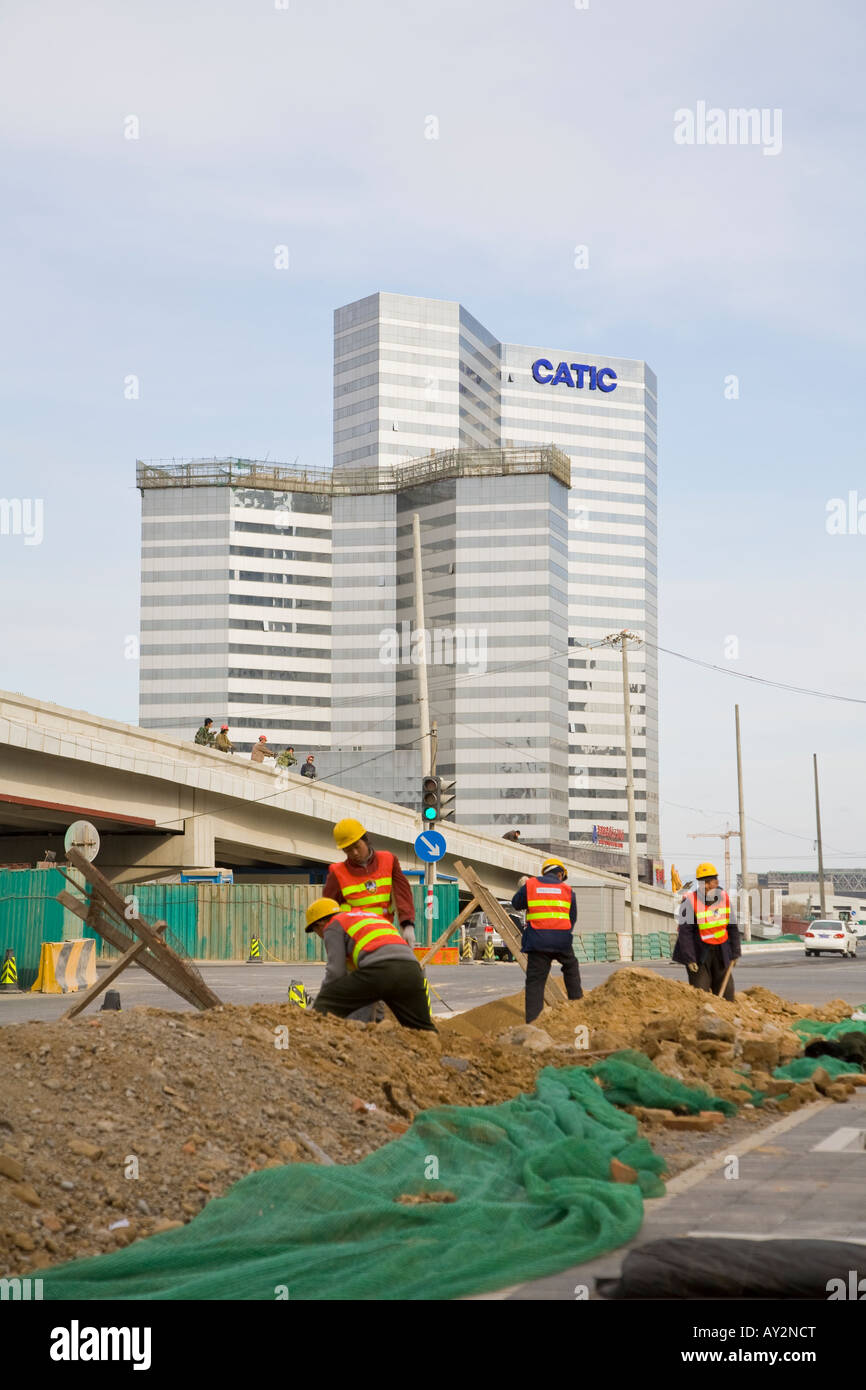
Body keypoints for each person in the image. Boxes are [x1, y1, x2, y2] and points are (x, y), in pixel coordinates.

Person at [305, 897, 436, 1031]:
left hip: (380, 969)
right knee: (422, 1029)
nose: (320, 936)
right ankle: (439, 1051)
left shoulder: (333, 926)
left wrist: (323, 999)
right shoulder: (369, 916)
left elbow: (336, 973)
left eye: (316, 932)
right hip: (412, 970)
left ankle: (311, 1033)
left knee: (327, 1000)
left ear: (320, 924)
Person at [511, 857, 583, 1024]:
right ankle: (579, 1007)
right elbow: (572, 918)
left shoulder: (531, 885)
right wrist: (560, 933)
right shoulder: (567, 890)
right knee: (571, 968)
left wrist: (524, 889)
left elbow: (516, 904)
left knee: (535, 981)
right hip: (562, 941)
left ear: (545, 872)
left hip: (538, 942)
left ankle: (534, 1023)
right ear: (560, 874)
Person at [324, 818, 417, 947]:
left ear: (365, 840)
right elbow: (328, 909)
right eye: (348, 850)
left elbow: (402, 893)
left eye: (357, 846)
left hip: (384, 935)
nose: (354, 853)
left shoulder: (389, 860)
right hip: (354, 940)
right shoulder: (337, 872)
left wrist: (407, 924)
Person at [672, 861, 741, 1000]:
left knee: (727, 994)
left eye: (712, 881)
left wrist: (735, 952)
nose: (709, 885)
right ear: (700, 884)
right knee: (701, 995)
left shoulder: (724, 899)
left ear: (717, 881)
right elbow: (685, 933)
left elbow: (732, 928)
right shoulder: (690, 902)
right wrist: (690, 959)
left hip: (721, 952)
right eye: (705, 882)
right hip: (699, 955)